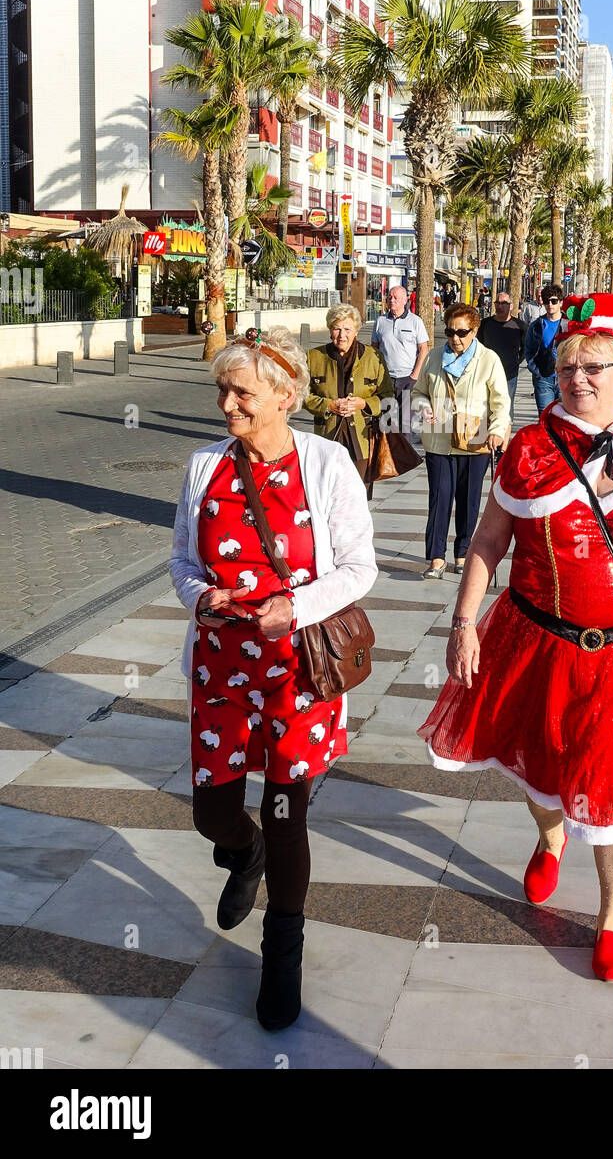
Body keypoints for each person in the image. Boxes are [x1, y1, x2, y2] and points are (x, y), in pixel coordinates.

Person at [417, 293, 613, 982]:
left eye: (595, 366)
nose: (580, 379)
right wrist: (464, 621)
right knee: (540, 769)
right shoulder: (531, 448)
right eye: (567, 368)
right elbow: (489, 539)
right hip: (540, 640)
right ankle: (550, 836)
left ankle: (611, 921)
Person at [170, 326, 377, 1030]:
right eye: (222, 390)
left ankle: (281, 952)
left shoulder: (326, 465)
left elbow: (360, 567)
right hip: (222, 668)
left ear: (285, 398)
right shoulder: (205, 467)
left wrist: (296, 607)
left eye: (242, 393)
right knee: (211, 812)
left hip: (297, 673)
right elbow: (180, 561)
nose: (227, 403)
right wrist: (203, 597)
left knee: (288, 812)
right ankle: (243, 851)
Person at [412, 302, 511, 578]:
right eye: (450, 332)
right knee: (439, 499)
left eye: (462, 332)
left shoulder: (489, 359)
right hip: (439, 440)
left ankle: (463, 552)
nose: (455, 338)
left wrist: (497, 430)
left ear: (475, 331)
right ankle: (435, 557)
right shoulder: (433, 357)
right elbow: (418, 392)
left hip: (475, 441)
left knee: (469, 502)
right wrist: (424, 407)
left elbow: (501, 402)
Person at [305, 304, 393, 499]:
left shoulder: (372, 357)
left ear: (356, 331)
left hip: (360, 441)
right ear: (330, 330)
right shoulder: (314, 357)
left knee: (358, 498)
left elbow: (388, 396)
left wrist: (364, 404)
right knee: (327, 497)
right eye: (337, 328)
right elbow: (302, 396)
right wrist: (328, 405)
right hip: (326, 440)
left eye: (347, 329)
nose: (341, 335)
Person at [371, 284, 430, 436]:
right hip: (386, 379)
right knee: (387, 422)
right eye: (390, 297)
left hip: (407, 379)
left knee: (405, 424)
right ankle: (387, 457)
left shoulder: (415, 321)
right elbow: (374, 349)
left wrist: (414, 376)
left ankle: (403, 458)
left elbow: (424, 349)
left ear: (405, 300)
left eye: (396, 297)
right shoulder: (380, 321)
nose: (392, 300)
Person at [478, 290, 526, 417]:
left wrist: (517, 361)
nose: (500, 306)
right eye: (497, 303)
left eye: (504, 303)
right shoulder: (485, 324)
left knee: (506, 406)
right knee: (486, 406)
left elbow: (525, 348)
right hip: (487, 373)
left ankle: (504, 434)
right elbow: (479, 345)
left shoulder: (519, 326)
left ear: (510, 305)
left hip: (509, 373)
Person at [525, 283, 564, 414]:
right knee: (545, 418)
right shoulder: (536, 325)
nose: (550, 304)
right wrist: (537, 372)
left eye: (554, 301)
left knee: (565, 419)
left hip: (565, 378)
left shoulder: (568, 324)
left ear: (561, 303)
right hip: (543, 379)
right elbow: (529, 351)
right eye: (547, 301)